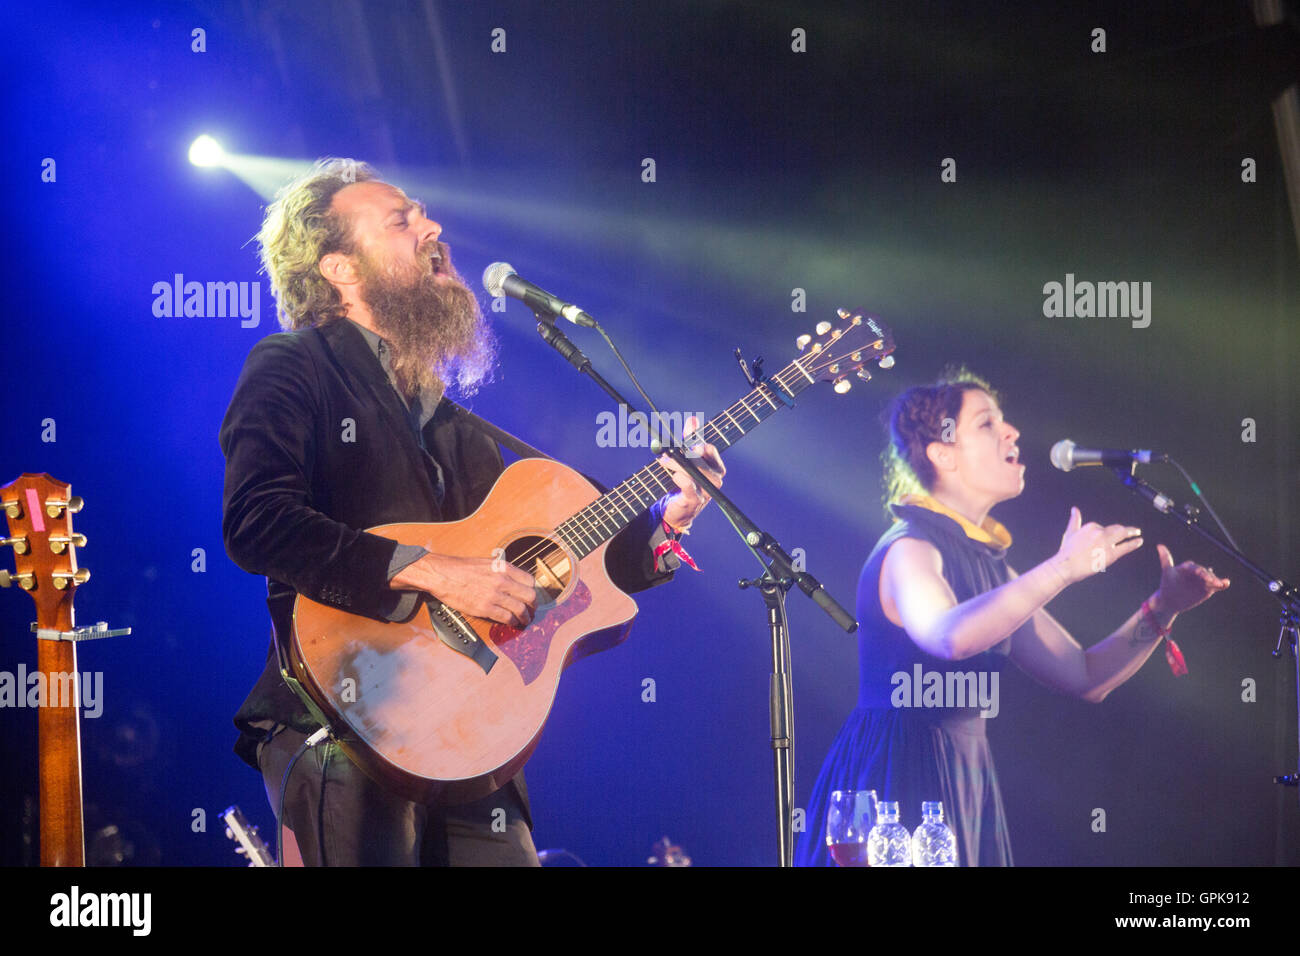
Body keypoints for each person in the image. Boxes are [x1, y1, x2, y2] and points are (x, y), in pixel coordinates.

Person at [220, 158, 724, 866]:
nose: (433, 227)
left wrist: (669, 519)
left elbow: (570, 563)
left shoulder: (453, 420)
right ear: (340, 269)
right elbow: (257, 522)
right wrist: (436, 573)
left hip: (471, 741)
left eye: (424, 213)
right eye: (402, 219)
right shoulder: (293, 365)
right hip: (350, 719)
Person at [795, 370, 1229, 866]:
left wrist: (1164, 606)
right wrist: (1064, 568)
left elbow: (1085, 675)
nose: (1012, 432)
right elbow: (949, 636)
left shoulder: (990, 565)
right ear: (943, 452)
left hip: (963, 775)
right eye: (986, 423)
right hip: (897, 777)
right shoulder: (910, 548)